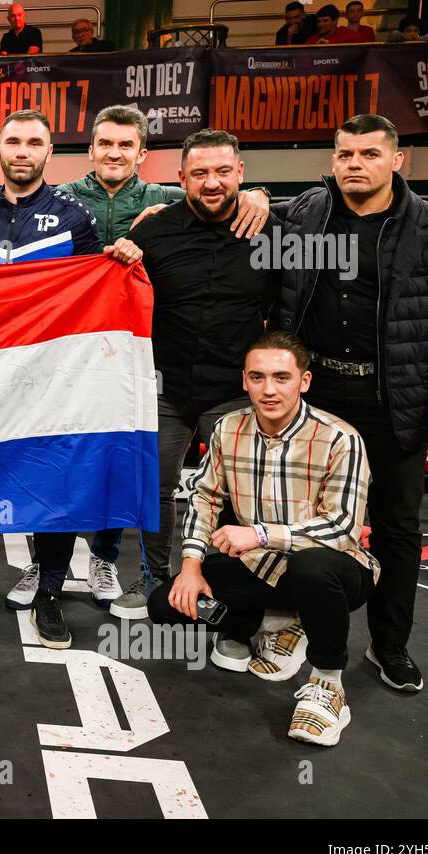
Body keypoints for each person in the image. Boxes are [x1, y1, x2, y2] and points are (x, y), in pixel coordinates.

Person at [0, 106, 271, 616]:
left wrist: (255, 195)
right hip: (60, 352)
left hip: (123, 356)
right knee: (110, 473)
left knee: (113, 464)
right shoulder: (65, 201)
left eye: (126, 146)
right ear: (88, 150)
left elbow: (219, 192)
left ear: (143, 156)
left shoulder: (167, 200)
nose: (115, 153)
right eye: (106, 143)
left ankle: (112, 561)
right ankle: (55, 566)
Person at [272, 113, 428, 693]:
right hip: (317, 400)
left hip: (396, 400)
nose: (355, 165)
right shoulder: (304, 214)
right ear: (332, 160)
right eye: (345, 154)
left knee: (395, 528)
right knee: (303, 521)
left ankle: (389, 645)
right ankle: (302, 627)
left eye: (369, 154)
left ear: (397, 160)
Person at [0, 109, 145, 645]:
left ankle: (51, 592)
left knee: (56, 479)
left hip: (52, 377)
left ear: (48, 153)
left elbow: (94, 291)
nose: (22, 151)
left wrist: (120, 258)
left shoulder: (75, 216)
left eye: (34, 142)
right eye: (13, 141)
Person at [150, 331, 378, 746]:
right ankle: (278, 621)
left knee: (312, 568)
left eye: (281, 377)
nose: (268, 389)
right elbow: (204, 498)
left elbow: (343, 528)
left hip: (336, 569)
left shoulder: (340, 437)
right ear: (244, 380)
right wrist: (191, 566)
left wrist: (258, 533)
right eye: (257, 377)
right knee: (165, 605)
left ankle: (328, 684)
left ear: (304, 381)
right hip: (263, 567)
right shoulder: (227, 428)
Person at [117, 129, 279, 620]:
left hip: (234, 391)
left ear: (241, 175)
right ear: (181, 177)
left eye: (223, 172)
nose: (213, 183)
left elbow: (291, 308)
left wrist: (265, 199)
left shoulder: (271, 230)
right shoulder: (151, 230)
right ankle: (154, 581)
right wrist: (119, 252)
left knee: (244, 496)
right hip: (164, 385)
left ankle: (233, 591)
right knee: (154, 489)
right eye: (201, 173)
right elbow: (112, 291)